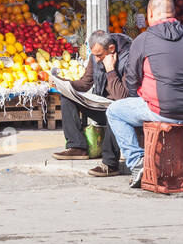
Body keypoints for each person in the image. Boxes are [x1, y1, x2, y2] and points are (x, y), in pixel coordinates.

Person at [107, 0, 183, 189]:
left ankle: (137, 162)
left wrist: (138, 96)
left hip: (161, 109)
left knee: (115, 111)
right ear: (173, 13)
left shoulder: (143, 39)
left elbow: (131, 78)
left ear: (150, 14)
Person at [52, 30, 129, 177]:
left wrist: (110, 69)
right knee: (67, 97)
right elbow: (85, 83)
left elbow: (122, 97)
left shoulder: (127, 58)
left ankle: (110, 164)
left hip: (120, 108)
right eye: (94, 55)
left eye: (100, 55)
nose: (97, 59)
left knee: (116, 110)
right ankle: (77, 146)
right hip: (102, 105)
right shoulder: (96, 57)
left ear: (111, 49)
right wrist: (63, 84)